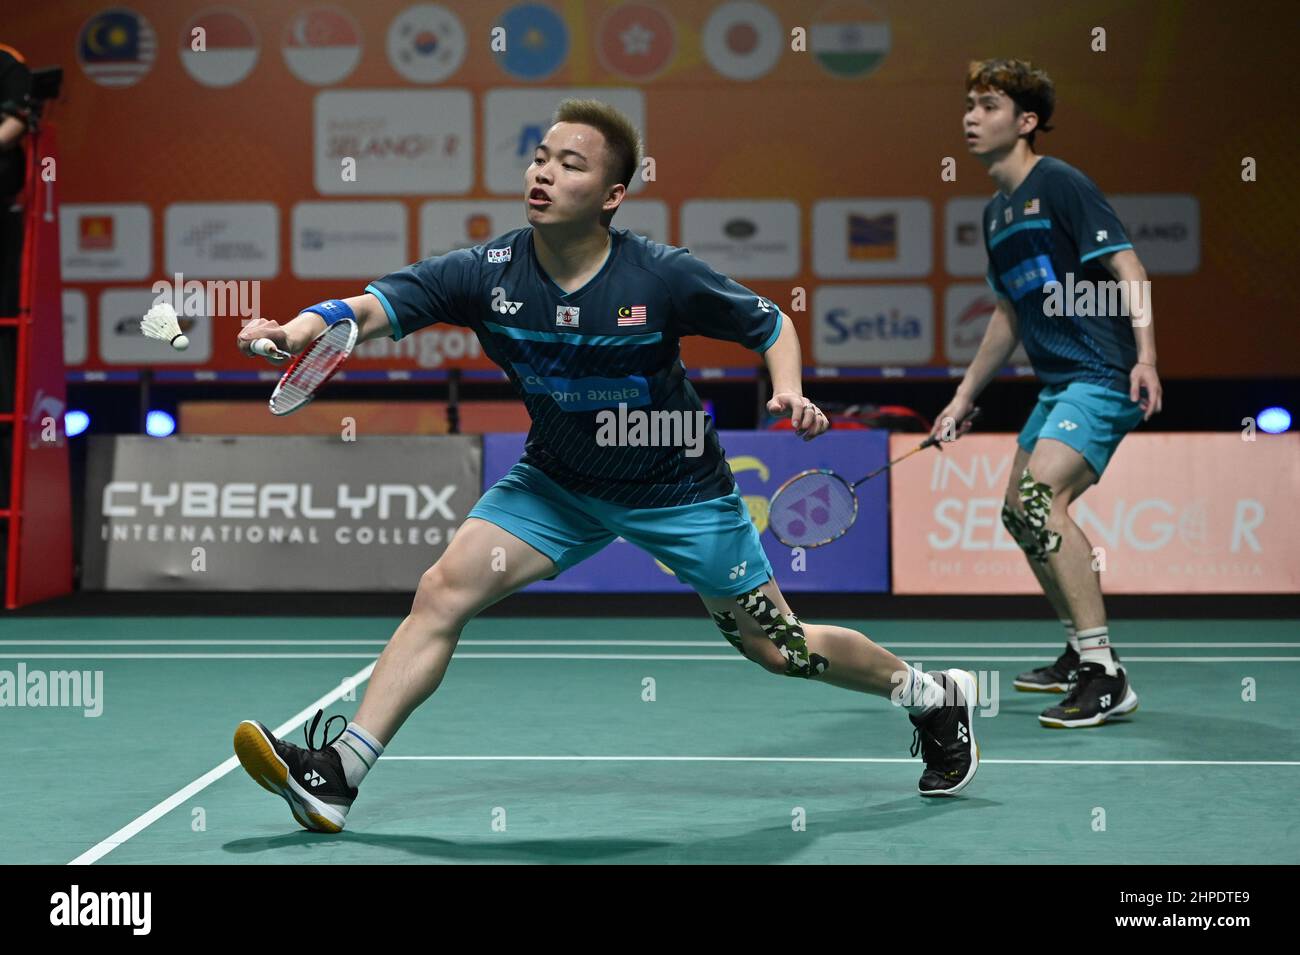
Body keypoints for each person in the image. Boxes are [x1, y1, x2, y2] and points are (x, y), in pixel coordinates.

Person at [233, 99, 979, 834]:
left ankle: (928, 692)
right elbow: (365, 309)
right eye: (539, 157)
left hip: (679, 491)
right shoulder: (485, 271)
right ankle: (339, 773)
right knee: (442, 591)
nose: (543, 174)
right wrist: (294, 331)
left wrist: (788, 388)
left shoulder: (660, 276)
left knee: (777, 649)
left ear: (612, 195)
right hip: (559, 483)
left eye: (569, 164)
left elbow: (771, 322)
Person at [934, 59, 1162, 729]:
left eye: (988, 106)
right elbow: (1008, 314)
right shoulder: (996, 210)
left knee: (1041, 498)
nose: (971, 117)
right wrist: (962, 398)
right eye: (969, 105)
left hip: (1101, 372)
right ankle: (1077, 644)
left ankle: (1105, 672)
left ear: (1026, 121)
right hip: (1057, 383)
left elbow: (1127, 265)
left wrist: (1146, 356)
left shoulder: (1059, 183)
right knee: (1016, 510)